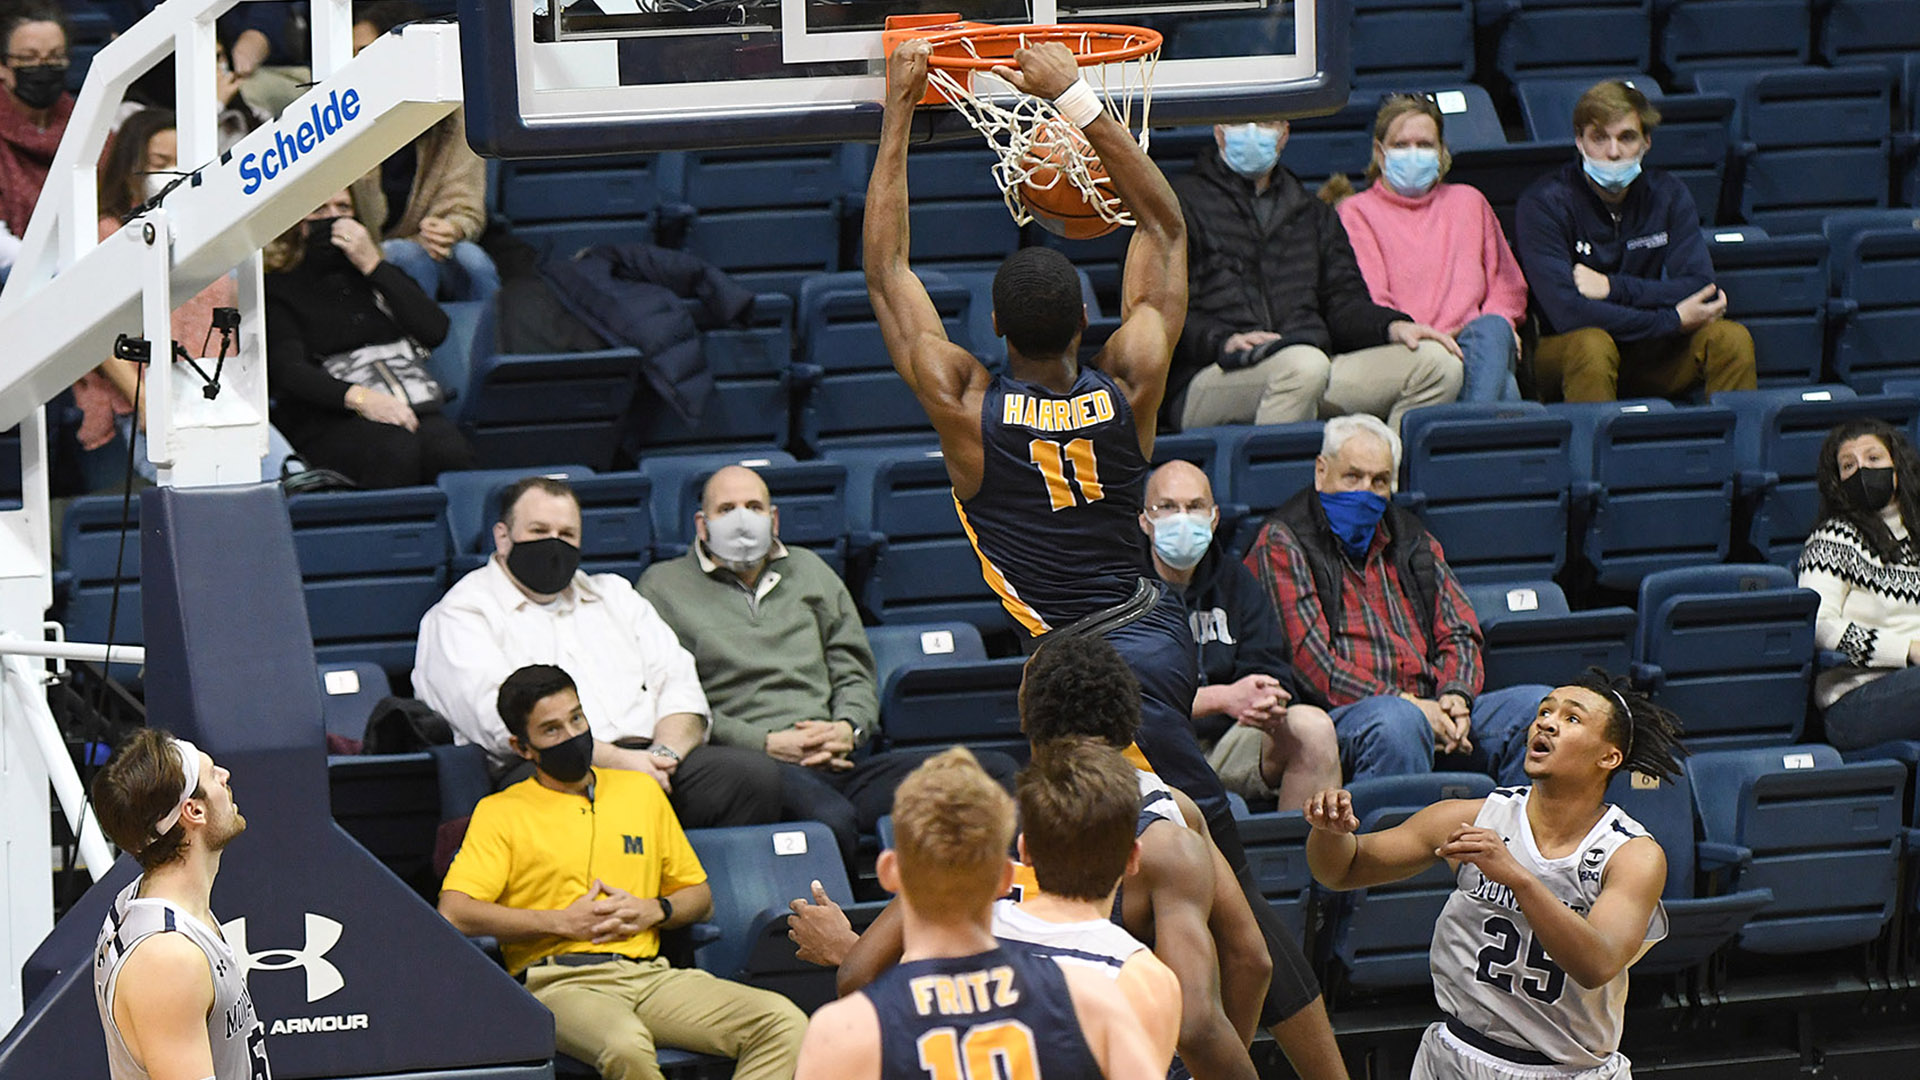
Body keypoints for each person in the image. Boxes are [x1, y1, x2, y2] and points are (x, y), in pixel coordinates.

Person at [868, 41, 1347, 1080]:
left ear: (993, 329)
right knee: (1210, 908)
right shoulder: (1130, 377)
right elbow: (1166, 227)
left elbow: (888, 272)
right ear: (1088, 322)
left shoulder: (966, 404)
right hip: (1155, 629)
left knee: (1195, 908)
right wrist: (1077, 98)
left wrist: (900, 110)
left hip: (1089, 670)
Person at [793, 634, 1340, 1080]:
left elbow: (862, 975)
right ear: (1126, 717)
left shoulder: (991, 825)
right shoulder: (1173, 821)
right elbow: (1249, 963)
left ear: (1028, 718)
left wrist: (846, 947)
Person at [1304, 673, 1682, 1077]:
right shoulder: (1474, 817)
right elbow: (1344, 870)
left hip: (1566, 1070)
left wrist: (1518, 879)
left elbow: (1597, 964)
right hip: (1455, 1056)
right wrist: (1329, 834)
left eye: (1571, 718)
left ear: (1609, 757)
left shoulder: (1632, 854)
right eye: (1544, 712)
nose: (1547, 723)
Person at [439, 664, 807, 1080]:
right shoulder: (500, 812)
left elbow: (699, 896)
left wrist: (657, 909)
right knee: (626, 1045)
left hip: (649, 974)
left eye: (576, 718)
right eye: (552, 730)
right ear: (522, 748)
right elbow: (455, 912)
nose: (572, 735)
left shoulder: (640, 791)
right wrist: (560, 921)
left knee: (782, 1021)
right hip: (558, 981)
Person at [638, 463, 1015, 866]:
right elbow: (674, 703)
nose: (742, 519)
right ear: (702, 525)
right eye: (726, 509)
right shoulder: (662, 588)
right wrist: (764, 742)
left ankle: (1005, 899)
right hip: (753, 769)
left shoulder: (811, 571)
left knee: (991, 774)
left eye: (754, 507)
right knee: (831, 819)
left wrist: (848, 728)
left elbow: (853, 669)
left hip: (839, 761)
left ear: (774, 519)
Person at [415, 475, 781, 828]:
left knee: (752, 778)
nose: (554, 543)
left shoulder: (614, 595)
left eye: (567, 534)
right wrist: (623, 764)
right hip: (551, 768)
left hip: (655, 759)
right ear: (503, 536)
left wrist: (663, 756)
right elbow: (504, 724)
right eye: (539, 531)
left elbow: (680, 684)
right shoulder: (463, 614)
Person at [793, 747, 1164, 1080]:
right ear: (1006, 877)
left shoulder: (844, 1029)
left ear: (889, 870)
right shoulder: (1091, 997)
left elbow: (857, 976)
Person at [1245, 415, 1553, 784]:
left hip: (1432, 702)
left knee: (1539, 710)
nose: (1365, 492)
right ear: (1321, 471)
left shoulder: (1411, 535)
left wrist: (1456, 696)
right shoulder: (1283, 541)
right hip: (1344, 716)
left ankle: (1511, 823)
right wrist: (1413, 707)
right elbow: (1314, 667)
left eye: (1379, 481)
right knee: (1398, 722)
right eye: (1352, 477)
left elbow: (1459, 631)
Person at [1169, 118, 1464, 430]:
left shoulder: (1312, 212)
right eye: (1241, 121)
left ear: (1284, 134)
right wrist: (1223, 340)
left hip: (1314, 364)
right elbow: (1160, 309)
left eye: (1266, 123)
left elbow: (1344, 303)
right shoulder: (1179, 203)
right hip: (1214, 372)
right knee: (1302, 366)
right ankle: (1273, 463)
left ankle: (1377, 461)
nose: (1253, 131)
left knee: (1439, 365)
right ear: (1219, 132)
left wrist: (1392, 326)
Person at [1515, 79, 1756, 403]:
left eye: (1626, 137)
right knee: (1592, 344)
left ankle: (1737, 435)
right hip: (1567, 351)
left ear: (1646, 142)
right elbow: (1568, 313)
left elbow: (1700, 286)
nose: (1613, 152)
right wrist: (1672, 320)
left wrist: (1612, 288)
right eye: (1599, 138)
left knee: (1730, 338)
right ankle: (1596, 437)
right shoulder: (1544, 203)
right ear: (1579, 141)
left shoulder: (1668, 194)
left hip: (1648, 350)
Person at [1139, 460, 1341, 810]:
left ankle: (1301, 846)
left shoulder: (1236, 581)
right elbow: (1127, 701)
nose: (1182, 518)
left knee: (1313, 729)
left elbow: (1272, 671)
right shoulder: (1121, 590)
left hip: (1225, 742)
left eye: (1195, 506)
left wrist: (1265, 698)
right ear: (1145, 520)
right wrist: (1221, 698)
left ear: (1214, 518)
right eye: (1168, 507)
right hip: (1148, 751)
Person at [263, 187, 476, 487]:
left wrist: (373, 265)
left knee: (448, 450)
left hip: (407, 401)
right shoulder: (277, 287)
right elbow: (289, 371)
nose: (334, 218)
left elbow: (434, 329)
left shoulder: (377, 274)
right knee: (394, 449)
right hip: (328, 416)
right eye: (320, 209)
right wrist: (363, 399)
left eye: (343, 208)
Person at [90, 729, 269, 1080]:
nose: (225, 776)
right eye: (212, 774)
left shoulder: (156, 902)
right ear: (194, 810)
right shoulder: (167, 958)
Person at [1333, 94, 1529, 404]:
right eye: (1401, 145)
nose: (1413, 153)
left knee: (1493, 329)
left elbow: (1506, 287)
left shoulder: (1469, 202)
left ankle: (1468, 425)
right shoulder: (1356, 212)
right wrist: (1434, 337)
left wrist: (1502, 325)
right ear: (1380, 153)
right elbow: (1373, 301)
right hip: (1409, 348)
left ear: (1441, 152)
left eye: (1424, 145)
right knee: (1506, 388)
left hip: (1474, 342)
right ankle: (1477, 426)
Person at [348, 2, 498, 303]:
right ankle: (413, 335)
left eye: (365, 53)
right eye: (350, 55)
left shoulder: (451, 116)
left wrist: (449, 228)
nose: (354, 65)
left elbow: (464, 201)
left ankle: (499, 333)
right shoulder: (346, 119)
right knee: (405, 255)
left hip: (433, 247)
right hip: (366, 252)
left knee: (472, 261)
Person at [1797, 419, 1920, 750]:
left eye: (1873, 458)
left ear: (1898, 467)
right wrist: (1907, 650)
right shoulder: (1831, 539)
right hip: (1856, 701)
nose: (1862, 470)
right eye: (1849, 466)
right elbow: (1818, 627)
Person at [0, 3, 73, 243]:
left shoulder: (86, 121)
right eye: (28, 59)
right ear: (3, 66)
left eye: (55, 57)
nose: (43, 68)